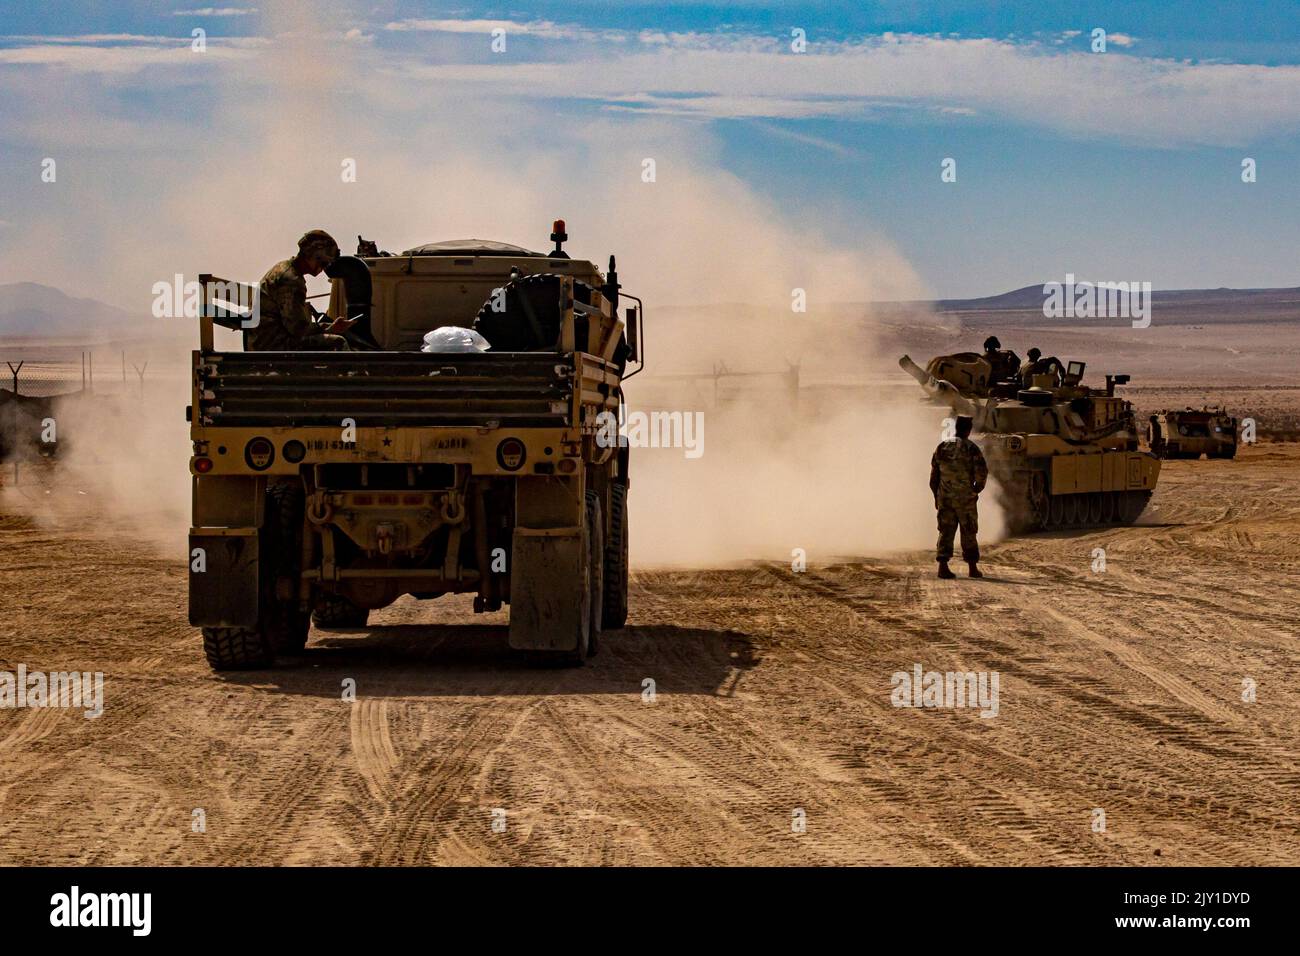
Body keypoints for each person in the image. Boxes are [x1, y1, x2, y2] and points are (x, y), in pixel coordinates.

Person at [247, 230, 354, 351]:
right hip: (273, 344)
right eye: (323, 263)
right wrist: (329, 328)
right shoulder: (292, 281)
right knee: (338, 342)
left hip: (263, 340)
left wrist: (329, 327)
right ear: (313, 256)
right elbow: (297, 329)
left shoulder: (283, 267)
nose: (323, 269)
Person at [930, 415, 988, 579]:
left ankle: (943, 566)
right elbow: (982, 472)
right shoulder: (971, 448)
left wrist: (937, 496)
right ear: (968, 430)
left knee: (945, 531)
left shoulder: (942, 447)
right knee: (968, 531)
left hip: (945, 498)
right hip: (965, 499)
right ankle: (972, 567)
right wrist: (977, 489)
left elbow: (934, 477)